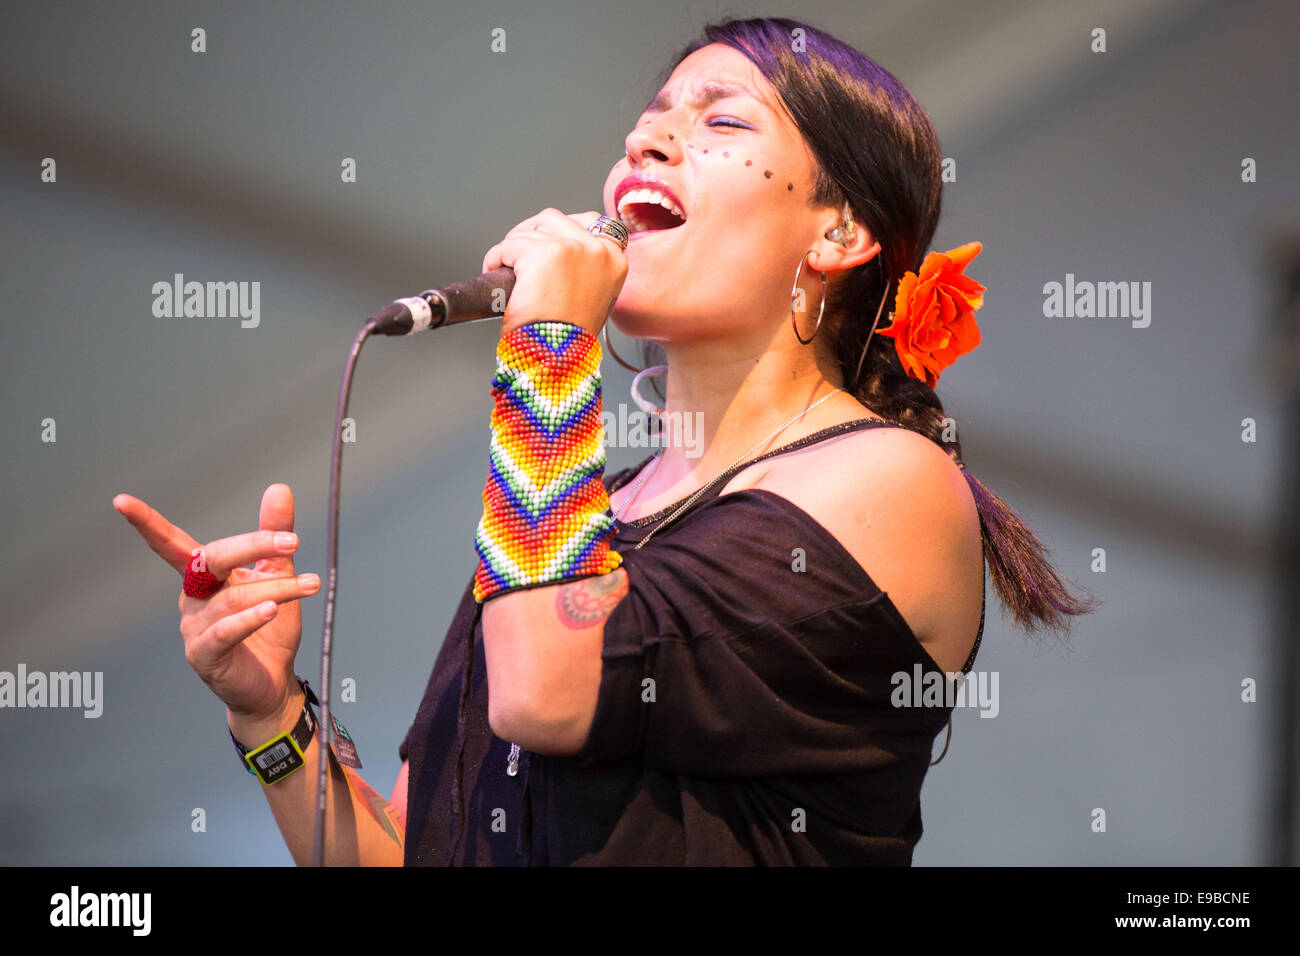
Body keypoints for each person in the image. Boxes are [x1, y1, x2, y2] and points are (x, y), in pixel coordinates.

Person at [114, 16, 1098, 866]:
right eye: (648, 120)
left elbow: (548, 688)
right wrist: (268, 715)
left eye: (718, 120)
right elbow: (413, 848)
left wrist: (551, 343)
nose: (646, 139)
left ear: (837, 235)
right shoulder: (584, 514)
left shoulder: (887, 476)